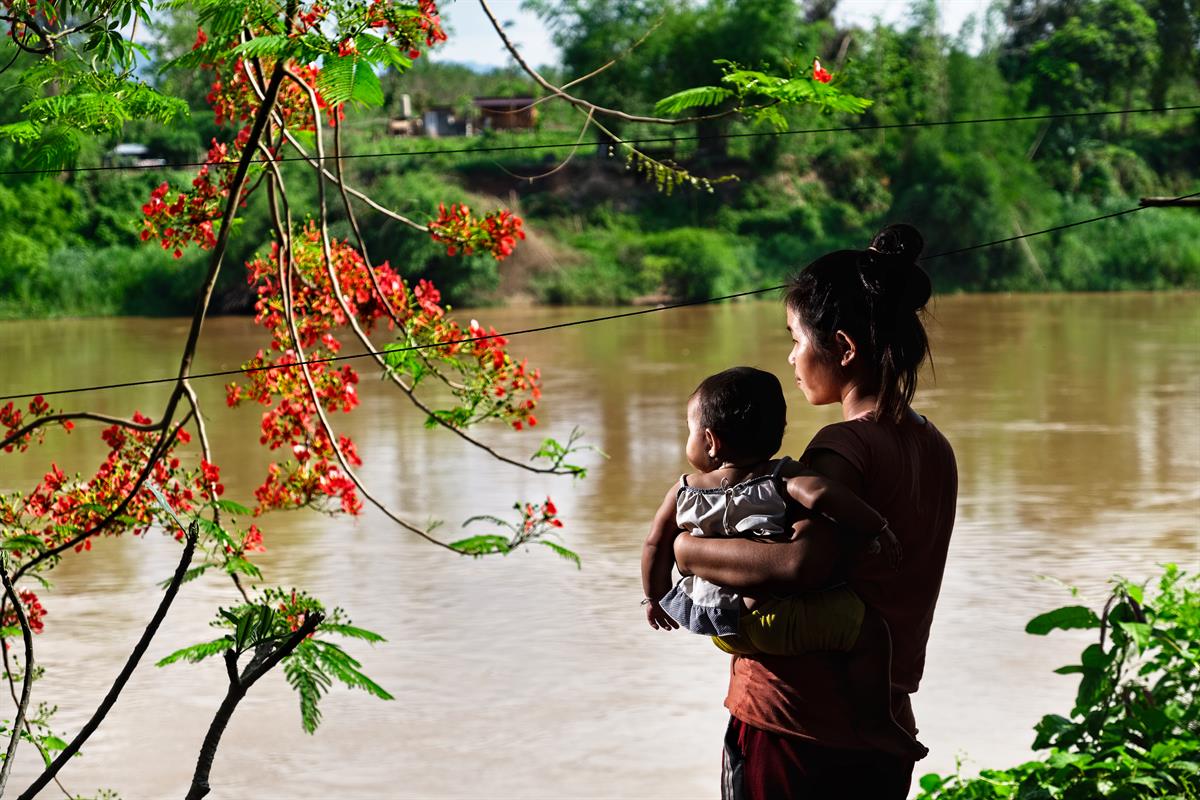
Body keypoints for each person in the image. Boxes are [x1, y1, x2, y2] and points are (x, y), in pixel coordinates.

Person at [673, 224, 958, 800]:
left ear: (844, 349)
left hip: (797, 723)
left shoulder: (841, 446)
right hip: (884, 723)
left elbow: (803, 563)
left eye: (797, 339)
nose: (792, 356)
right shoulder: (934, 445)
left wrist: (687, 549)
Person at [640, 366, 923, 758]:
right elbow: (824, 495)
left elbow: (655, 544)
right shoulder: (780, 476)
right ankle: (874, 722)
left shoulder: (683, 491)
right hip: (780, 620)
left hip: (719, 623)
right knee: (871, 631)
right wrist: (876, 528)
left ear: (709, 440)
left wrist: (655, 597)